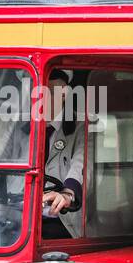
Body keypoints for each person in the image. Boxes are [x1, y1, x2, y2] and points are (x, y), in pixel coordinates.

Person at [41, 70, 84, 240]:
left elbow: (80, 166)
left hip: (62, 221)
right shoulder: (17, 127)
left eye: (51, 91)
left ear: (65, 93)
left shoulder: (81, 127)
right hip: (16, 222)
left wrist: (67, 194)